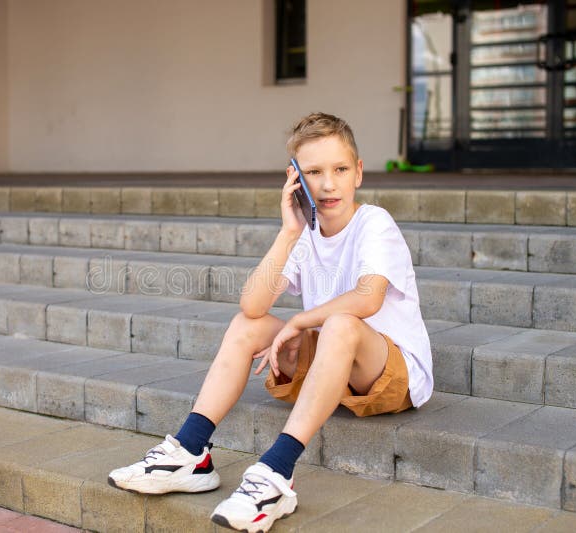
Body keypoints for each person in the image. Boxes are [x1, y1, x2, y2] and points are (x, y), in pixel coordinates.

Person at [108, 112, 433, 532]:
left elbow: (367, 299)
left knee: (340, 323)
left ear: (359, 173)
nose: (328, 183)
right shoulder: (305, 233)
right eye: (313, 172)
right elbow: (253, 303)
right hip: (335, 363)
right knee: (246, 325)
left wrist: (300, 321)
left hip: (390, 374)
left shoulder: (374, 223)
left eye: (340, 169)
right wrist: (288, 232)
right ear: (295, 177)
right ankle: (191, 453)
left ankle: (275, 475)